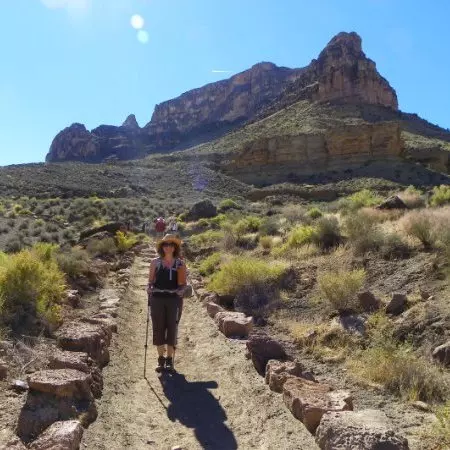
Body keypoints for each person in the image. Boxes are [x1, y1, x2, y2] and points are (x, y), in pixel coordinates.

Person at [147, 234, 187, 373]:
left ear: (175, 247)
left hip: (174, 300)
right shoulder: (155, 262)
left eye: (171, 245)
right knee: (158, 328)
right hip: (157, 299)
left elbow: (183, 284)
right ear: (161, 247)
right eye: (165, 244)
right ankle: (160, 359)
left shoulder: (180, 263)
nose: (168, 247)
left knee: (172, 328)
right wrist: (149, 288)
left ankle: (169, 360)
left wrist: (182, 290)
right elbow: (150, 281)